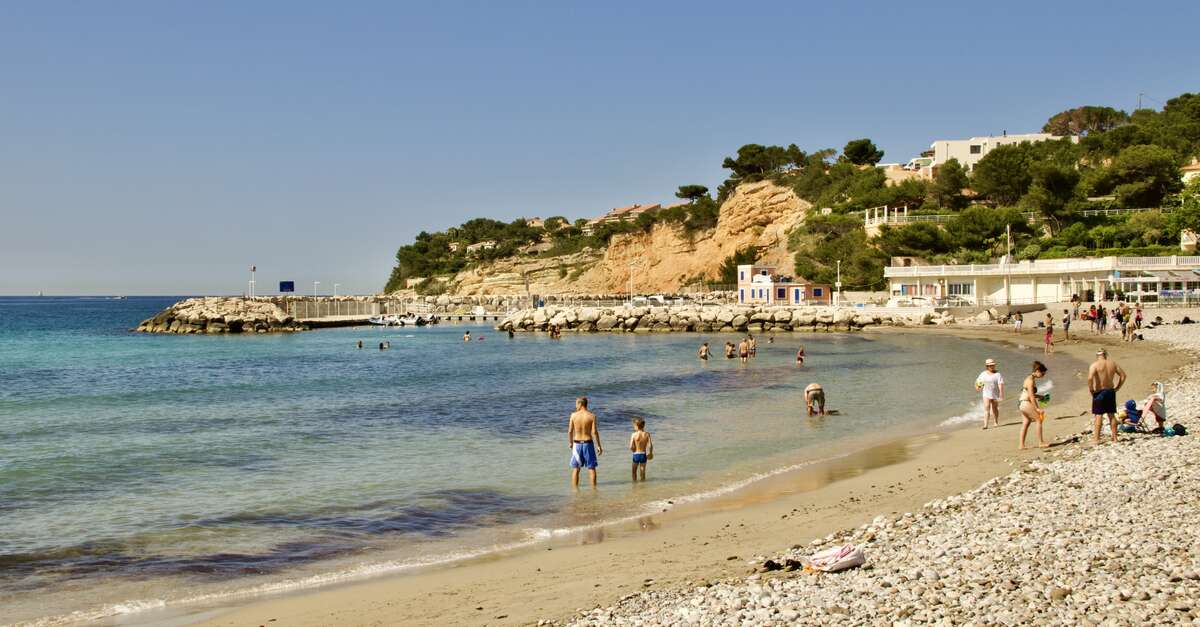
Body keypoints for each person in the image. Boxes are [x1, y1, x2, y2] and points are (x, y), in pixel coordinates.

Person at [1088, 348, 1127, 443]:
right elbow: (1123, 375)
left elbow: (1090, 378)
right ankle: (1115, 438)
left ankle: (1096, 438)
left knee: (1098, 415)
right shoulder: (1113, 364)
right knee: (1111, 414)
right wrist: (1117, 387)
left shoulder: (1094, 365)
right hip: (1110, 391)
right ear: (1105, 355)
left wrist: (1091, 389)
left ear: (1097, 356)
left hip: (1099, 391)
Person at [567, 397, 602, 488]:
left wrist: (570, 442)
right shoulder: (592, 416)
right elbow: (594, 432)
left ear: (580, 404)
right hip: (588, 443)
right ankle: (594, 490)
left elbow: (570, 431)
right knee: (591, 468)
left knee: (576, 469)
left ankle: (575, 490)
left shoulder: (573, 415)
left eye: (576, 404)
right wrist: (599, 446)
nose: (575, 406)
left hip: (577, 444)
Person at [1018, 361, 1049, 449]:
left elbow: (1029, 393)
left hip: (1021, 403)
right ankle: (1041, 442)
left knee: (1026, 423)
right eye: (1042, 374)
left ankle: (1021, 445)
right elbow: (1031, 396)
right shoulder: (1030, 381)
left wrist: (1040, 396)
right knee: (1039, 419)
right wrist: (1037, 408)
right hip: (1025, 403)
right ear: (1037, 371)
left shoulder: (1030, 378)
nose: (1043, 376)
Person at [975, 358, 1004, 429]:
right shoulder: (983, 374)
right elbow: (978, 382)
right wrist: (977, 387)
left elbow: (1000, 384)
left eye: (993, 365)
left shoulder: (998, 374)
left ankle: (996, 421)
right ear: (987, 366)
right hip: (986, 393)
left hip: (995, 394)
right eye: (990, 365)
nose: (992, 366)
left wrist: (1001, 394)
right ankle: (985, 425)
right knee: (986, 408)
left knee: (995, 408)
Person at [628, 417, 653, 482]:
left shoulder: (633, 434)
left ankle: (634, 484)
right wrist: (650, 453)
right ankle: (642, 484)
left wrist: (633, 450)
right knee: (642, 472)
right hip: (643, 455)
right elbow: (650, 445)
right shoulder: (647, 434)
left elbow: (630, 446)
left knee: (634, 472)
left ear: (636, 426)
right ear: (643, 425)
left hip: (636, 455)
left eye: (634, 426)